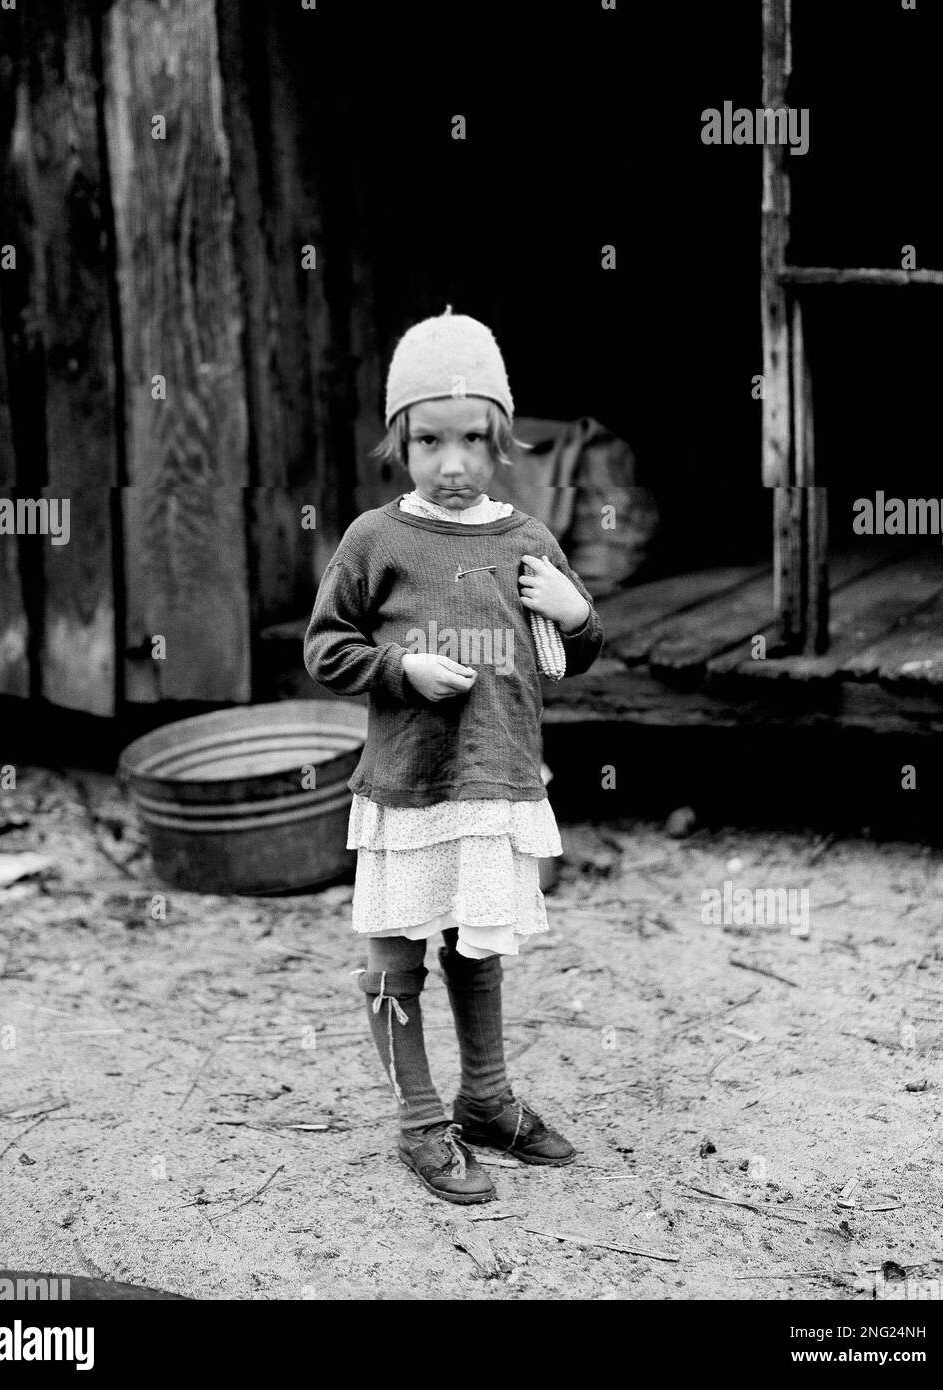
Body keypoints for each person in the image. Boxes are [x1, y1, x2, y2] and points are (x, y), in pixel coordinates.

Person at [303, 307, 604, 1203]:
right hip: (406, 785)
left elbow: (578, 655)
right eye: (430, 440)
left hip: (493, 779)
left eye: (473, 439)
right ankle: (419, 1119)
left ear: (501, 438)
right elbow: (326, 649)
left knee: (477, 946)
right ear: (399, 440)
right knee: (396, 953)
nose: (453, 463)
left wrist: (573, 608)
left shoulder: (526, 537)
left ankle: (485, 1098)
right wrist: (398, 670)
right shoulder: (375, 539)